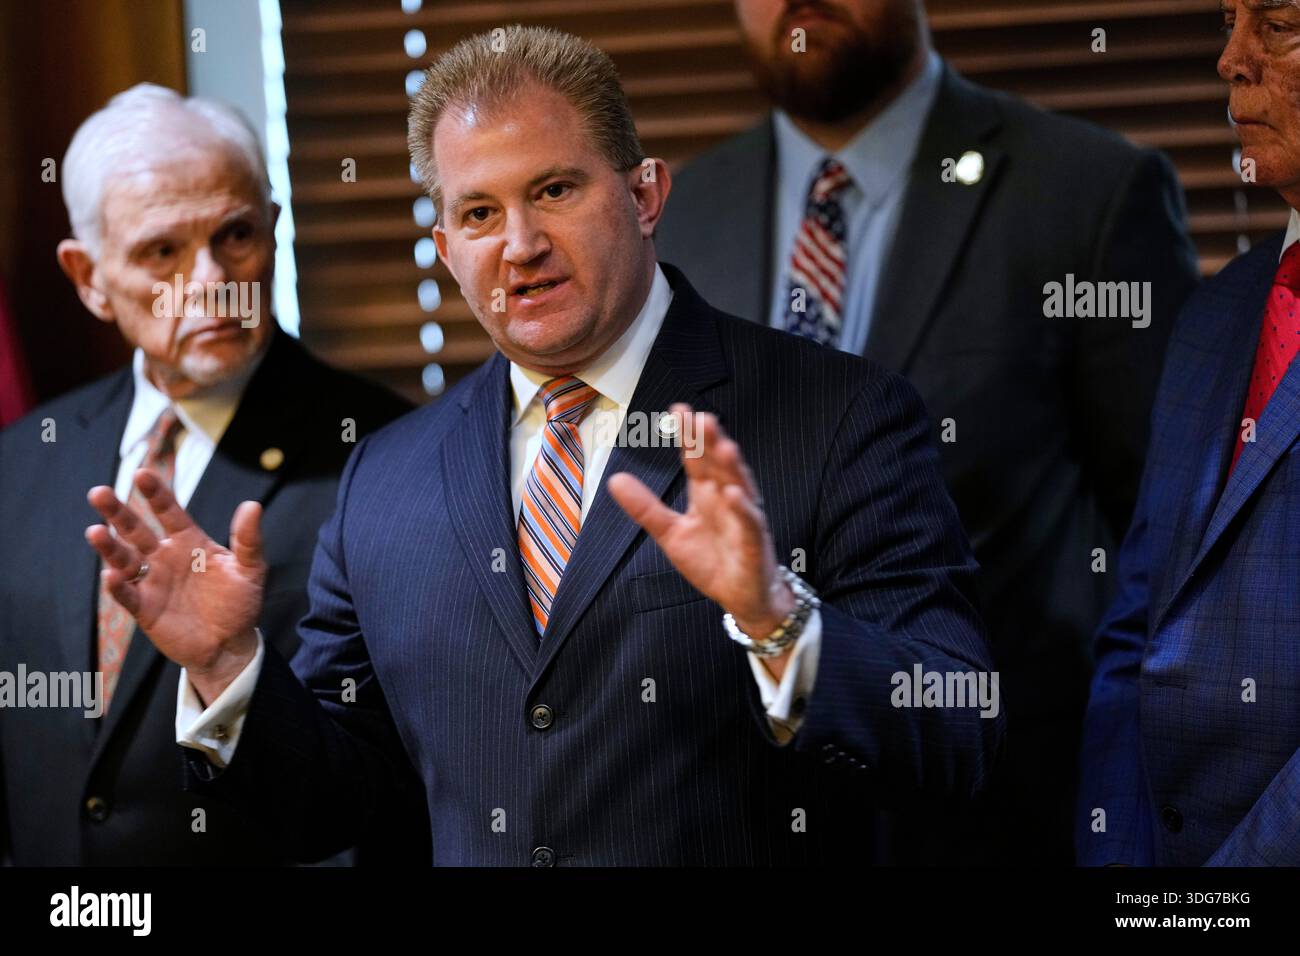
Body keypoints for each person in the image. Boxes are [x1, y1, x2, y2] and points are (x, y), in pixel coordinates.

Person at [81, 27, 1001, 866]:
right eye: (478, 214)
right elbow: (334, 807)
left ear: (644, 194)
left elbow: (961, 731)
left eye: (554, 190)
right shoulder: (387, 480)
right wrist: (226, 668)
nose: (519, 245)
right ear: (445, 246)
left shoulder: (838, 415)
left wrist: (777, 620)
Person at [654, 0, 1202, 864]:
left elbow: (1178, 544)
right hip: (745, 821)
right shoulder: (679, 215)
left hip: (1013, 816)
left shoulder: (1087, 193)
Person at [0, 84, 413, 865]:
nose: (211, 279)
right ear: (88, 276)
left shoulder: (385, 454)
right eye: (163, 251)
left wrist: (228, 669)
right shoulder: (19, 462)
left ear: (275, 232)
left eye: (235, 235)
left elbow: (388, 784)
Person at [1079, 0, 1300, 867]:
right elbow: (1136, 629)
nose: (1231, 61)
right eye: (1227, 21)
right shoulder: (1214, 312)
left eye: (1277, 24)